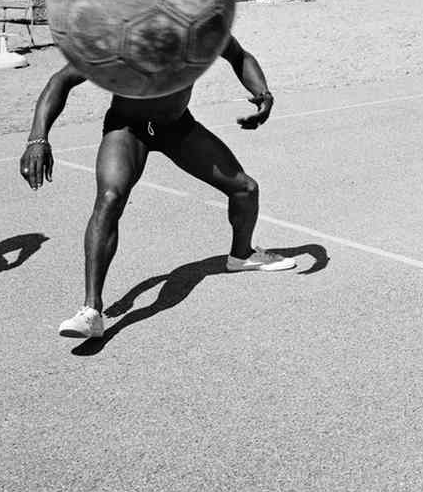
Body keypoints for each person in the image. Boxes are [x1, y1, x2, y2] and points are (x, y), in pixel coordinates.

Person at [20, 36, 297, 340]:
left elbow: (239, 56)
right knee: (110, 198)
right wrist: (38, 138)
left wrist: (263, 93)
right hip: (127, 129)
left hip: (176, 127)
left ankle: (242, 255)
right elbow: (61, 80)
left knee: (246, 189)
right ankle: (91, 311)